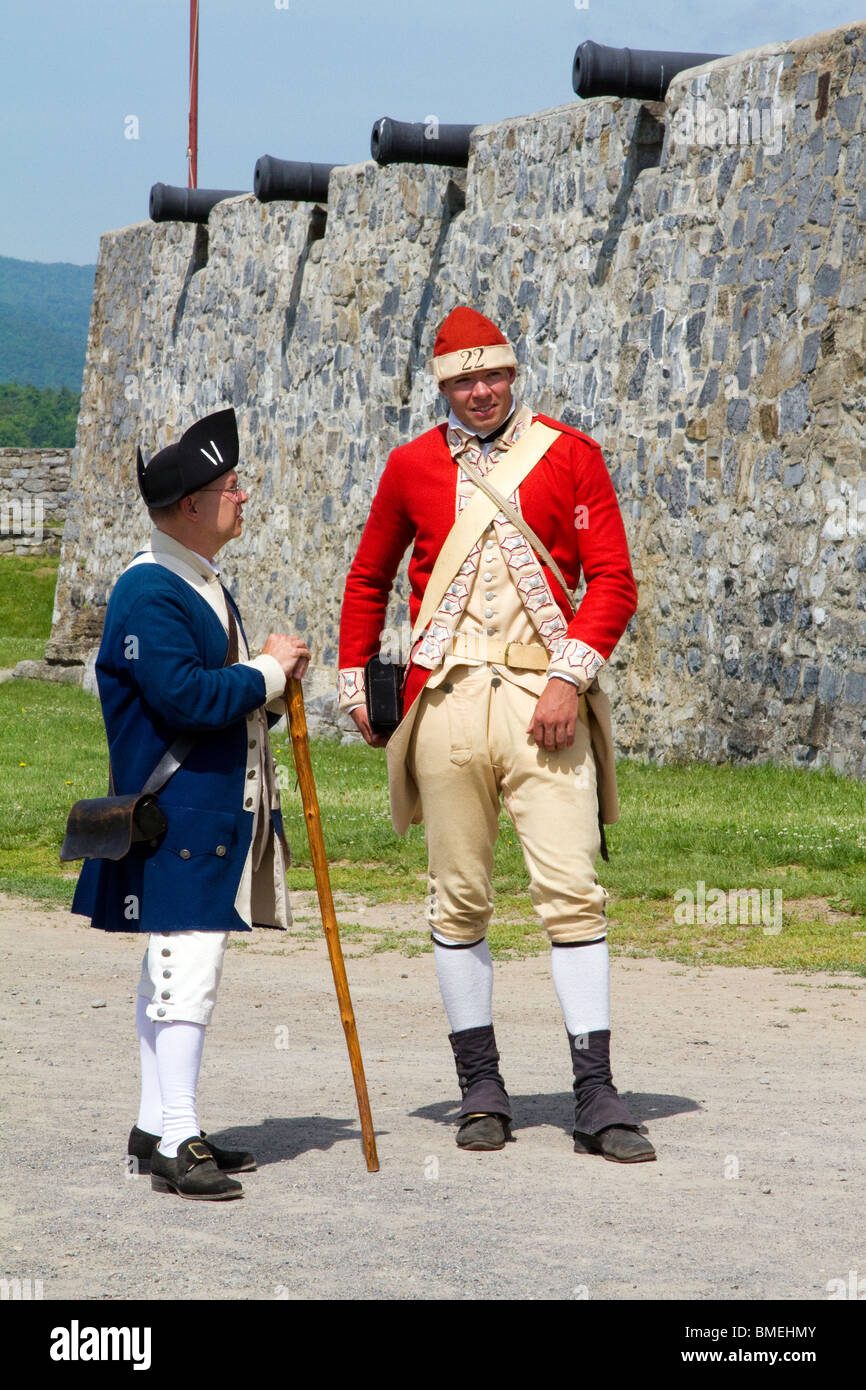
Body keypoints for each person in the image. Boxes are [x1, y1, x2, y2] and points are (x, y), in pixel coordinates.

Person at [338, 307, 655, 1163]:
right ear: (443, 387)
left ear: (512, 377)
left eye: (491, 377)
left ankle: (596, 1093)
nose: (478, 392)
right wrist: (357, 686)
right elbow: (368, 576)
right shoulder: (410, 466)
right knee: (459, 897)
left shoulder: (569, 454)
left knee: (571, 893)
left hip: (542, 703)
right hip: (442, 704)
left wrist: (567, 679)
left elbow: (614, 581)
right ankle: (481, 1088)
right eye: (461, 381)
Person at [72, 407, 310, 1199]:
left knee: (174, 967)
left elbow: (217, 697)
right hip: (180, 814)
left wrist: (269, 688)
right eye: (230, 487)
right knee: (187, 969)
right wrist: (269, 674)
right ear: (189, 508)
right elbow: (181, 699)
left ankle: (156, 1126)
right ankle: (178, 1142)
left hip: (205, 812)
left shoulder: (197, 581)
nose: (243, 496)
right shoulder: (151, 589)